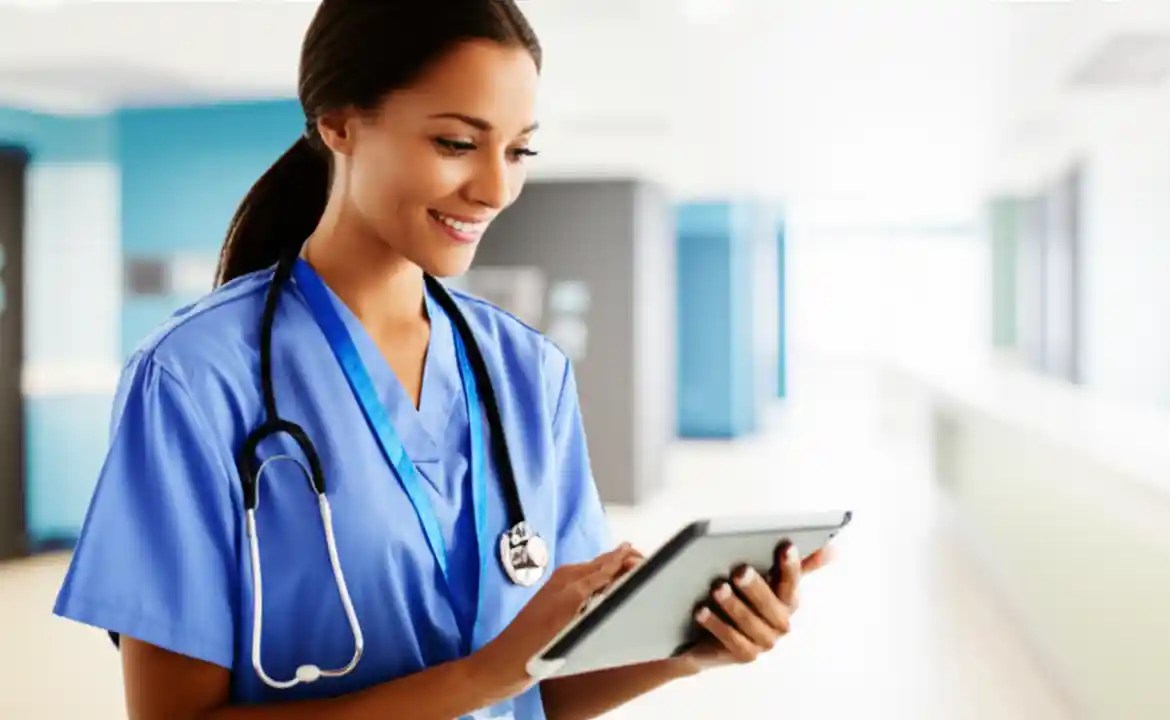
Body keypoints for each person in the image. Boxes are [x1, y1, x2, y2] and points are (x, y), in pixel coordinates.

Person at [52, 1, 834, 718]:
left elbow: (547, 687)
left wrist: (683, 652)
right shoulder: (196, 379)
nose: (495, 187)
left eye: (520, 150)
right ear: (338, 122)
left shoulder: (529, 374)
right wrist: (482, 675)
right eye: (457, 143)